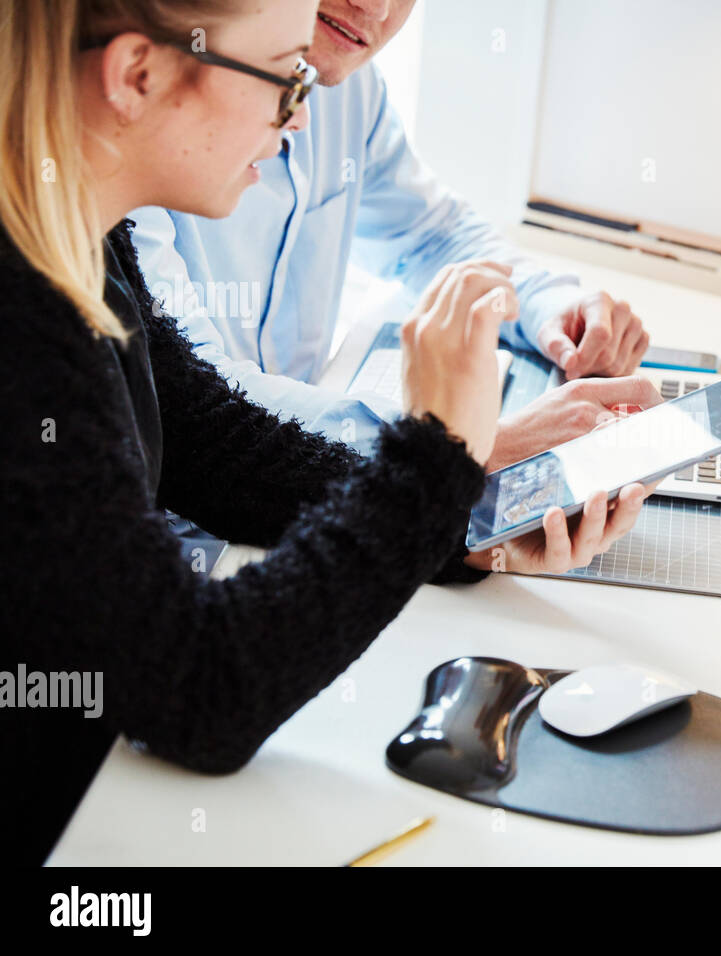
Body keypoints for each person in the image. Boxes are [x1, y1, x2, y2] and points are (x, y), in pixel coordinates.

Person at [0, 0, 649, 866]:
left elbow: (207, 442)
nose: (302, 112)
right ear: (137, 76)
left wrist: (460, 519)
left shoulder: (82, 232)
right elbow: (199, 688)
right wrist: (433, 456)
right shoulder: (23, 324)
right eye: (283, 74)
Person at [131, 0, 658, 461]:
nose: (377, 10)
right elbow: (195, 404)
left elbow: (429, 234)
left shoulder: (348, 87)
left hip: (299, 479)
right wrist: (458, 454)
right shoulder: (146, 127)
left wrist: (544, 303)